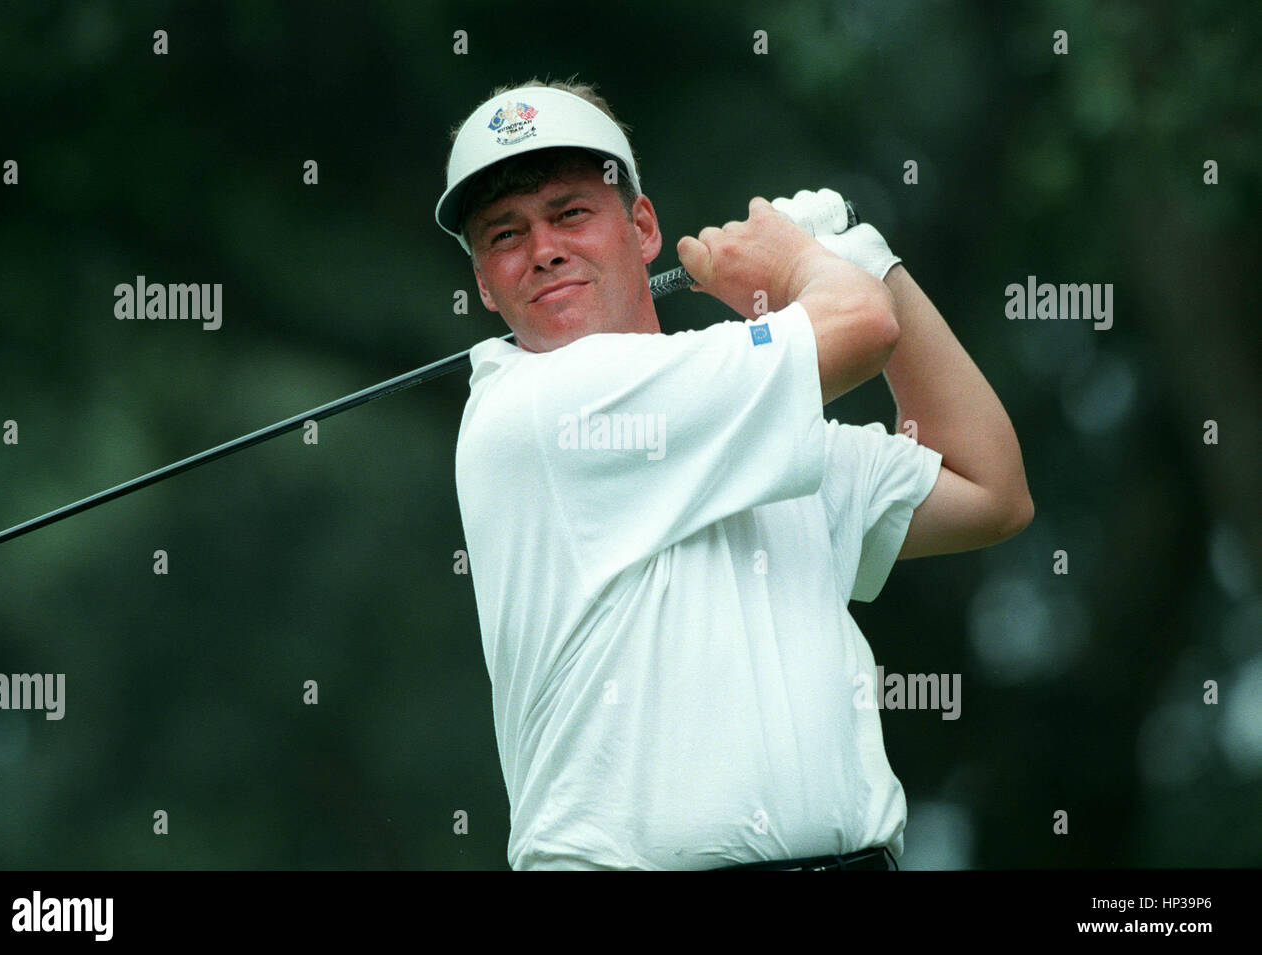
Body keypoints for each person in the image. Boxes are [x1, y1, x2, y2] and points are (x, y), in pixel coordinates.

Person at [436, 78, 1032, 870]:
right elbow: (859, 328)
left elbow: (991, 491)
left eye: (570, 212)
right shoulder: (535, 411)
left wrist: (869, 261)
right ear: (482, 280)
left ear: (642, 226)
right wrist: (811, 267)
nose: (543, 248)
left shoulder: (745, 422)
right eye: (504, 234)